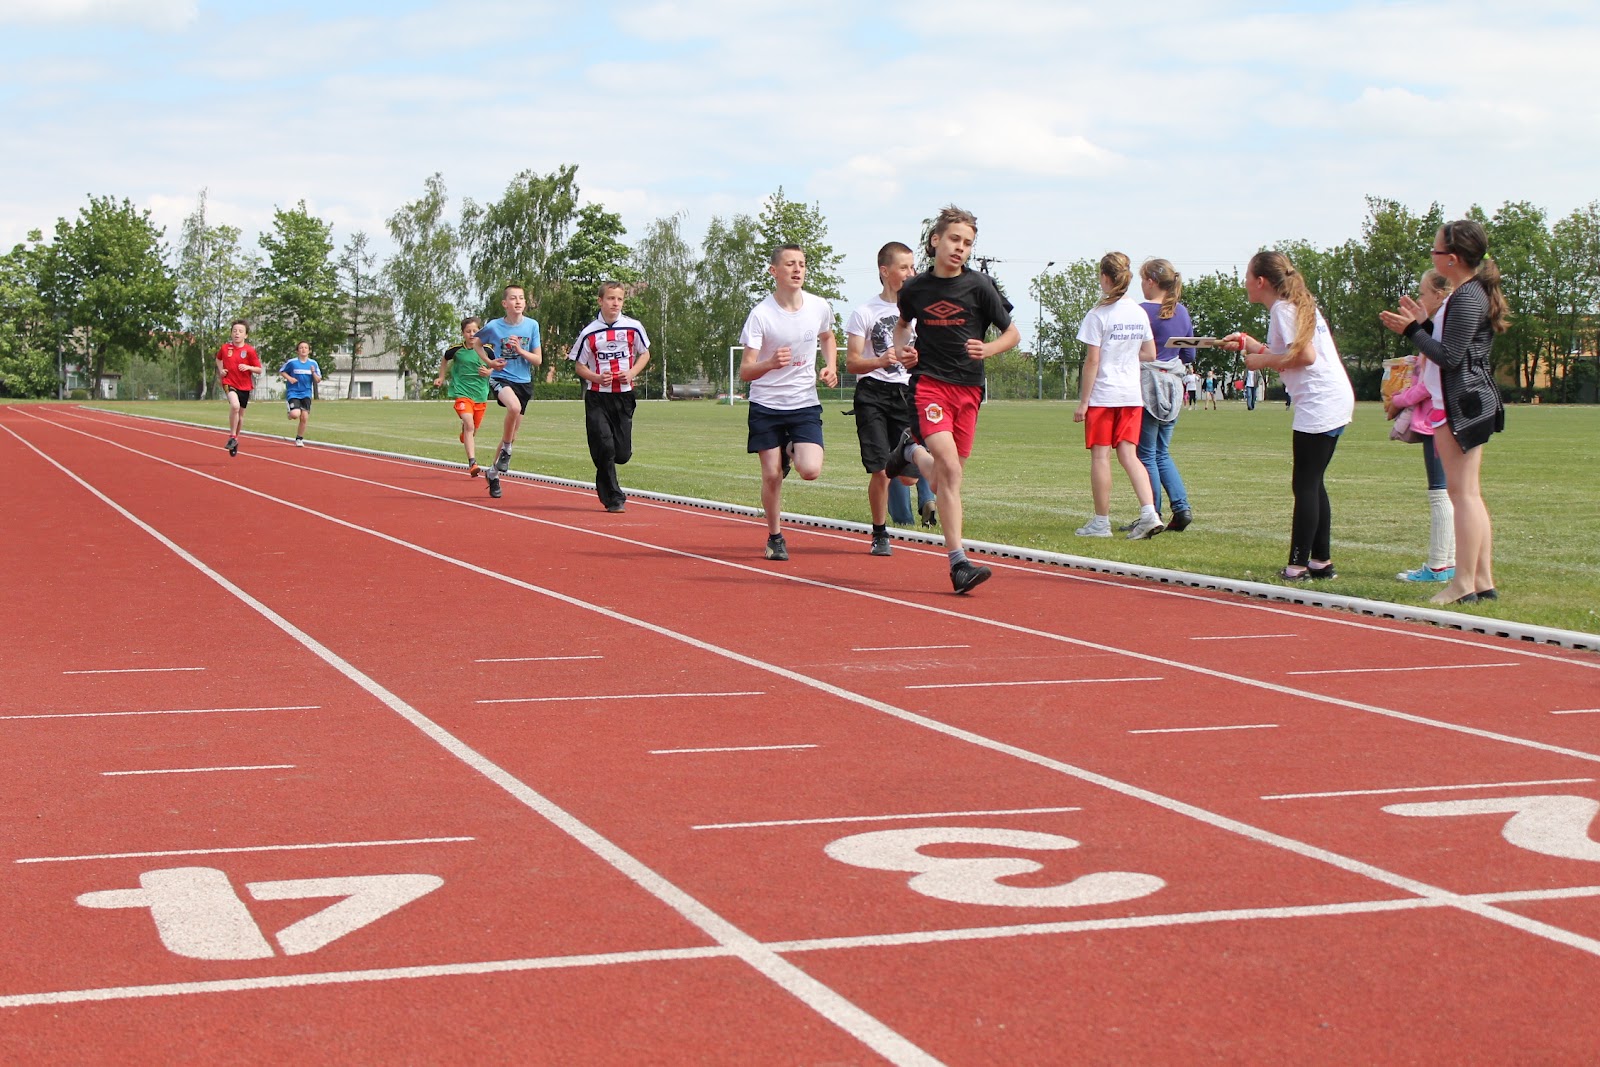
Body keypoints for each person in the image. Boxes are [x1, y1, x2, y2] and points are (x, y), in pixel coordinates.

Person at [890, 205, 1020, 594]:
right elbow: (901, 327)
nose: (960, 247)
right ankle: (958, 563)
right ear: (936, 241)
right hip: (930, 384)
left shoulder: (980, 286)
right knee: (948, 464)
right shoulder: (915, 289)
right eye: (954, 239)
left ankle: (910, 452)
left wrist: (989, 349)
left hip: (969, 389)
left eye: (967, 243)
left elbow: (1012, 334)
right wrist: (904, 351)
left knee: (951, 475)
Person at [1380, 219, 1507, 605]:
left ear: (1452, 259)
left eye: (1435, 251)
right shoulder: (1465, 294)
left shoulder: (1468, 296)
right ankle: (1482, 581)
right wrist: (1423, 324)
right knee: (1468, 492)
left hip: (1462, 404)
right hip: (1464, 400)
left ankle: (1464, 582)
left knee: (1463, 494)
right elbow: (1453, 344)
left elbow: (1449, 356)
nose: (1432, 256)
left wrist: (1412, 332)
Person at [1226, 251, 1355, 581]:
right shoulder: (1292, 306)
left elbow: (1305, 356)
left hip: (1320, 402)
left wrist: (1261, 363)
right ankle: (1320, 561)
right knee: (1314, 481)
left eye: (1247, 277)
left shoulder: (1284, 309)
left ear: (1261, 282)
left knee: (1305, 484)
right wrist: (1249, 344)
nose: (1245, 283)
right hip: (1333, 398)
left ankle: (1298, 565)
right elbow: (1289, 352)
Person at [739, 244, 838, 561]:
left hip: (803, 403)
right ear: (774, 271)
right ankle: (775, 537)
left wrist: (830, 365)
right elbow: (745, 371)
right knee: (771, 476)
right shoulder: (761, 315)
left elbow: (827, 336)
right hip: (767, 406)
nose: (798, 269)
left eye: (802, 264)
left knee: (810, 470)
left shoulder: (818, 306)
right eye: (790, 264)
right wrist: (769, 363)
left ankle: (790, 449)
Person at [1073, 252, 1164, 540]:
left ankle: (1101, 522)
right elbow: (1150, 353)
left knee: (1101, 457)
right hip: (1131, 395)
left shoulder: (1098, 314)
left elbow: (1092, 362)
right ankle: (1149, 513)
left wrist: (1084, 401)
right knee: (1129, 455)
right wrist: (1125, 352)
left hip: (1104, 395)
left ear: (1105, 278)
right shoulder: (1138, 312)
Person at [845, 241, 922, 556]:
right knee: (879, 469)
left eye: (912, 266)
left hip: (907, 395)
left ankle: (911, 462)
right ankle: (880, 533)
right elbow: (851, 362)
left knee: (906, 479)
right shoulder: (864, 312)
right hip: (873, 394)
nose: (910, 273)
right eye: (904, 267)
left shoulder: (918, 312)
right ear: (885, 271)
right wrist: (880, 360)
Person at [1384, 269, 1456, 585]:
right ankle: (1449, 563)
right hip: (1445, 417)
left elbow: (1429, 382)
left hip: (1438, 420)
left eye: (1424, 293)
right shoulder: (1441, 326)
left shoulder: (1443, 327)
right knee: (1452, 493)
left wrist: (1398, 400)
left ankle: (1439, 565)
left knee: (1441, 493)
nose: (1420, 298)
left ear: (1439, 295)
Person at [569, 281, 652, 513]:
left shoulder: (633, 328)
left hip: (624, 397)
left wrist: (633, 372)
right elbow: (579, 365)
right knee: (605, 447)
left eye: (619, 299)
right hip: (598, 398)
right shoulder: (589, 332)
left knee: (622, 454)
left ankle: (607, 470)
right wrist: (595, 377)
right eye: (610, 298)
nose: (615, 303)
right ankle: (613, 497)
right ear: (600, 301)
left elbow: (645, 354)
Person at [1134, 258, 1194, 532]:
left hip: (1148, 386)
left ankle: (1152, 513)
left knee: (1146, 453)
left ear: (1152, 282)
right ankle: (1181, 508)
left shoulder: (1141, 311)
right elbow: (1189, 353)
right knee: (1162, 452)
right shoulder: (1181, 312)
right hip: (1173, 385)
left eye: (1143, 279)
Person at [478, 283, 543, 500]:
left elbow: (538, 360)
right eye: (513, 298)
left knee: (513, 433)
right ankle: (507, 449)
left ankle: (493, 474)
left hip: (524, 382)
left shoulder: (532, 325)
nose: (518, 302)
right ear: (505, 304)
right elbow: (477, 343)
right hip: (501, 378)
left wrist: (520, 350)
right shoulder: (495, 326)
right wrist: (489, 362)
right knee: (513, 407)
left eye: (521, 298)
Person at [434, 316, 499, 478]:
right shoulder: (456, 350)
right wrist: (441, 377)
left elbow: (500, 365)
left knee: (472, 429)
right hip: (462, 394)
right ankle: (472, 463)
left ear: (480, 332)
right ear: (463, 333)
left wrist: (489, 371)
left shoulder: (488, 350)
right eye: (468, 331)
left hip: (480, 396)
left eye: (475, 331)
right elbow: (445, 359)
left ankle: (465, 433)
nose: (471, 334)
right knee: (469, 424)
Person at [215, 319, 263, 456]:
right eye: (235, 331)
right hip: (229, 382)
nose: (237, 333)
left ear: (245, 335)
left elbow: (259, 369)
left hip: (245, 385)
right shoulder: (225, 348)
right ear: (231, 333)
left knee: (240, 416)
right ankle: (232, 436)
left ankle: (235, 438)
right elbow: (218, 359)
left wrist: (248, 367)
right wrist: (221, 370)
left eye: (240, 331)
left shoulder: (249, 351)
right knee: (234, 406)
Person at [279, 341, 322, 447]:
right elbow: (282, 371)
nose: (303, 349)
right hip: (293, 392)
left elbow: (318, 380)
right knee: (295, 414)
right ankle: (290, 411)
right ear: (297, 351)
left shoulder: (313, 363)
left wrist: (313, 373)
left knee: (304, 417)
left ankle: (299, 439)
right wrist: (290, 378)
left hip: (306, 393)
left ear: (309, 351)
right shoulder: (292, 362)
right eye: (301, 348)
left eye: (306, 348)